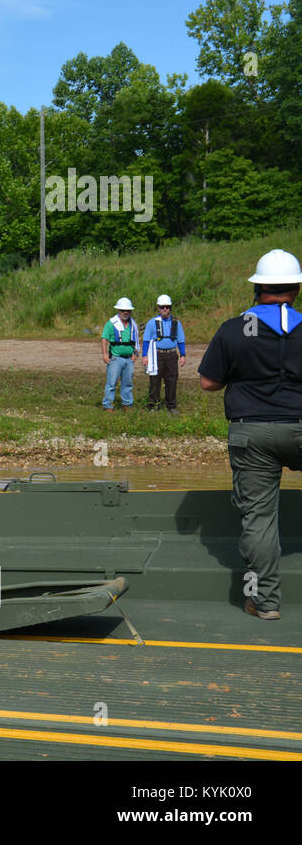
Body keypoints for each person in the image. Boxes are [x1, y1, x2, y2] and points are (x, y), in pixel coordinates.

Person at [199, 249, 302, 621]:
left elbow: (209, 382)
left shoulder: (234, 328)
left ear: (257, 287)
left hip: (253, 431)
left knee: (259, 519)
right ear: (297, 288)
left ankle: (265, 602)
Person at [143, 294, 186, 414]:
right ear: (158, 308)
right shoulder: (152, 323)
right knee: (155, 380)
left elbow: (181, 340)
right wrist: (145, 356)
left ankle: (171, 405)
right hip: (157, 355)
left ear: (170, 307)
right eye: (162, 307)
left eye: (167, 307)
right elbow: (146, 340)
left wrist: (183, 355)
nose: (165, 309)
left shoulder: (176, 323)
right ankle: (153, 405)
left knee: (172, 380)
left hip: (172, 355)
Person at [100, 297, 140, 411]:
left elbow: (136, 339)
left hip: (129, 359)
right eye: (123, 310)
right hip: (116, 358)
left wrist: (136, 353)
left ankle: (127, 404)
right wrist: (104, 354)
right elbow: (104, 338)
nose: (125, 312)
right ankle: (107, 405)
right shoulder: (111, 323)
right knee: (111, 383)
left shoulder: (133, 324)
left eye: (128, 310)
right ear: (118, 310)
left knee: (128, 383)